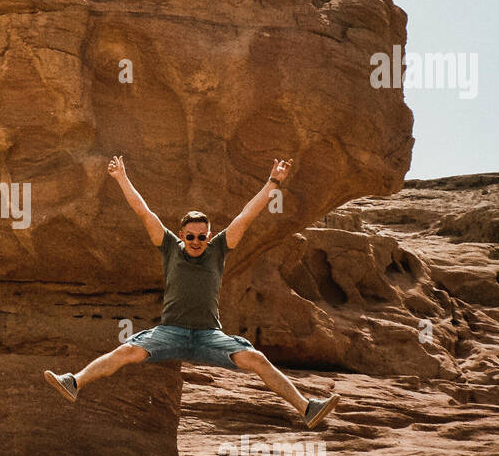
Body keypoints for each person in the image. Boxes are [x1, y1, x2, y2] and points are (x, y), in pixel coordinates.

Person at [44, 155, 339, 429]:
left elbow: (246, 217)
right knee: (126, 351)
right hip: (170, 332)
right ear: (182, 234)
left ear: (208, 236)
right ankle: (74, 382)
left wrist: (273, 182)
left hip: (208, 335)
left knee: (257, 359)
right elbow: (143, 212)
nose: (196, 241)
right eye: (190, 236)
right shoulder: (170, 247)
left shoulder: (218, 249)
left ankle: (307, 408)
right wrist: (121, 177)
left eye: (201, 236)